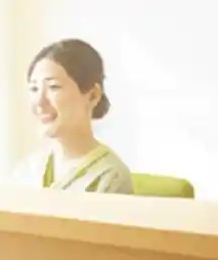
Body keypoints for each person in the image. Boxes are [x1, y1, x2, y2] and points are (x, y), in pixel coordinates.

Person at [14, 38, 133, 194]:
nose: (39, 101)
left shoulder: (111, 177)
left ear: (92, 95)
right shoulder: (28, 169)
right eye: (34, 89)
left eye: (53, 87)